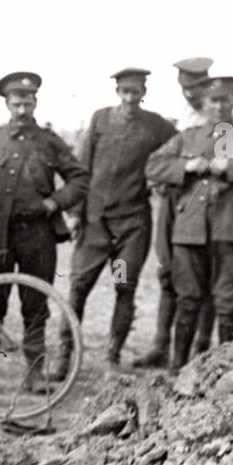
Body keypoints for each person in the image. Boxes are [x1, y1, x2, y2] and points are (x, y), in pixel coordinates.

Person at [0, 71, 88, 390]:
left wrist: (54, 203)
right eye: (16, 104)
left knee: (35, 303)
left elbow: (80, 179)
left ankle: (35, 374)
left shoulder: (50, 142)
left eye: (27, 103)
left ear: (35, 102)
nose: (22, 110)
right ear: (7, 104)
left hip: (37, 234)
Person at [144, 76, 233, 367]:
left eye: (224, 100)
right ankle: (176, 369)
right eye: (213, 101)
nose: (219, 106)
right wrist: (187, 166)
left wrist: (231, 166)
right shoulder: (187, 137)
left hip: (230, 233)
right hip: (189, 233)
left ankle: (225, 371)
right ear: (203, 105)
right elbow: (154, 165)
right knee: (188, 300)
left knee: (226, 303)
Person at [56, 68, 177, 374]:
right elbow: (82, 168)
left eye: (135, 92)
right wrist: (74, 214)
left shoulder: (155, 126)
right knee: (79, 287)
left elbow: (178, 147)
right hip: (95, 226)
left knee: (123, 286)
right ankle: (63, 357)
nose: (130, 98)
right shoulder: (100, 119)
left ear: (143, 93)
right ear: (117, 93)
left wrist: (161, 176)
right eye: (125, 91)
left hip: (129, 230)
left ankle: (112, 356)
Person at [135, 57, 217, 367]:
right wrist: (169, 175)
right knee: (166, 268)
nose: (190, 95)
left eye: (195, 88)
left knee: (202, 278)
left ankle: (201, 346)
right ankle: (160, 345)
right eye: (185, 89)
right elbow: (161, 160)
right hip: (173, 200)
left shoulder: (219, 115)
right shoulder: (179, 118)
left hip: (202, 203)